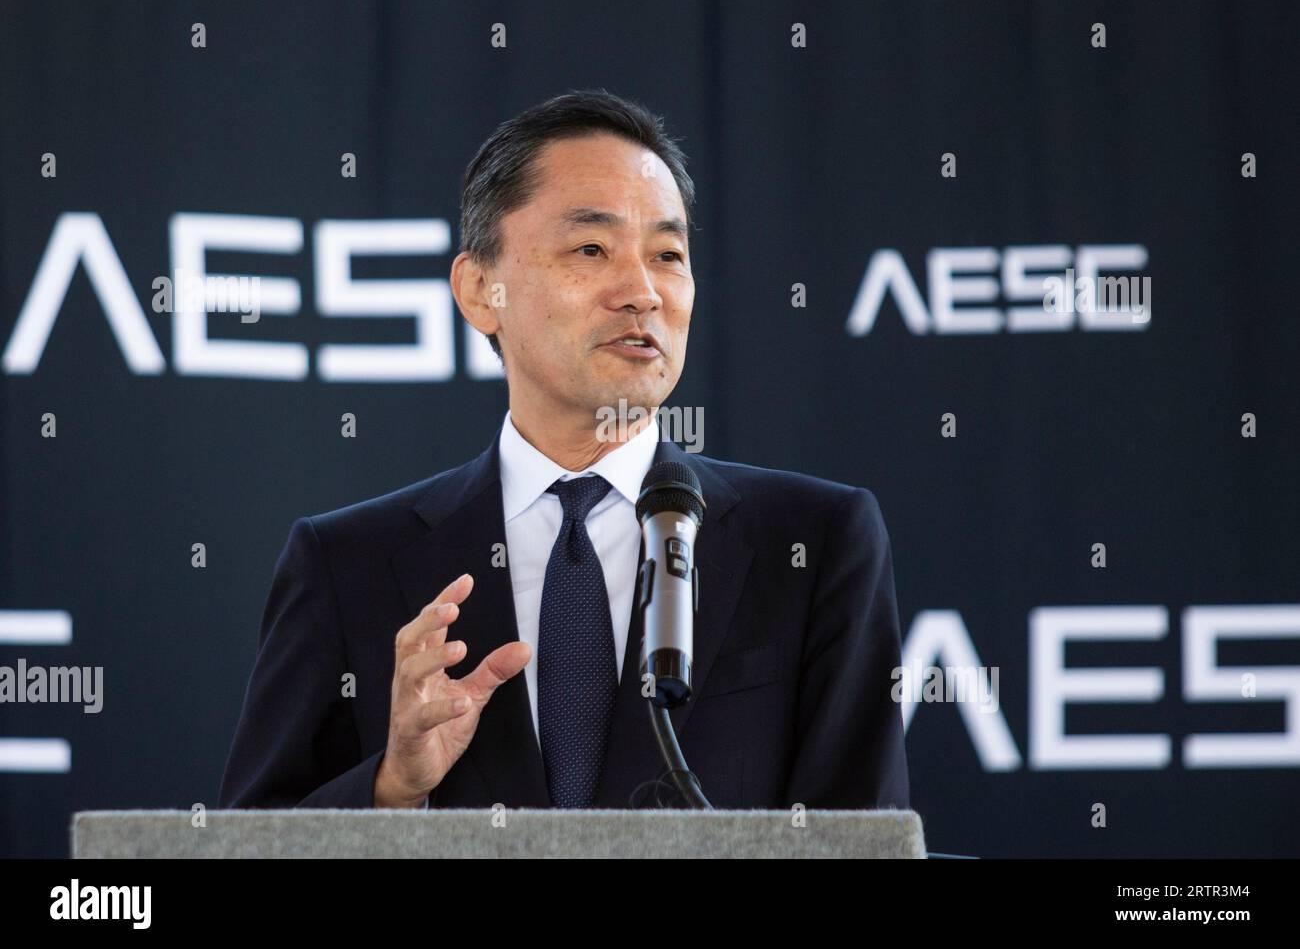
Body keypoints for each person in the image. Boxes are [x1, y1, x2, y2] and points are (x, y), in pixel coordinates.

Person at [219, 89, 909, 811]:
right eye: (591, 248)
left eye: (667, 254)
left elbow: (861, 835)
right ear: (481, 290)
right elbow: (247, 842)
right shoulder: (343, 565)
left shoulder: (815, 543)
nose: (643, 292)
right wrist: (393, 787)